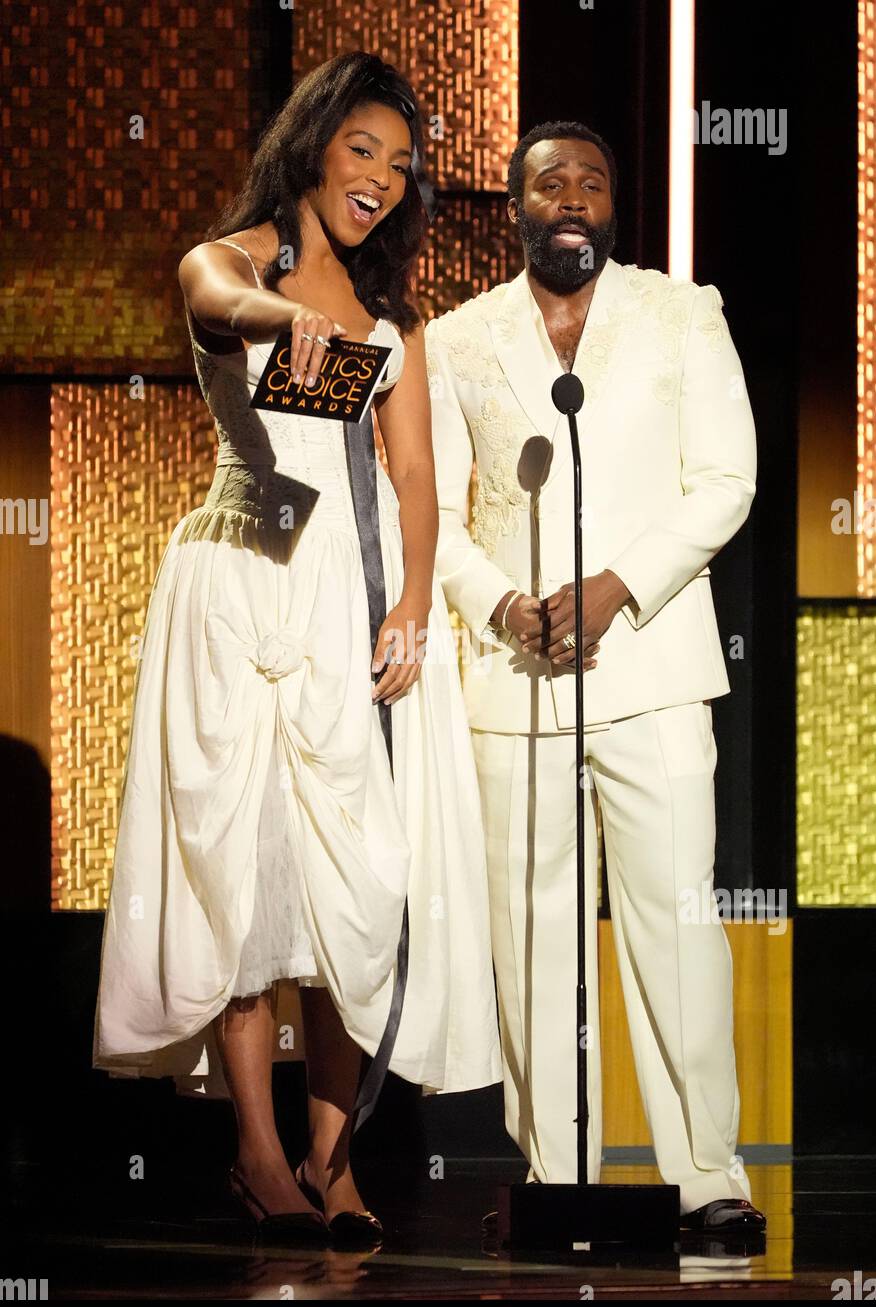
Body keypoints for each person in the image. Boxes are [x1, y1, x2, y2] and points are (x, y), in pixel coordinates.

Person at [92, 51, 501, 1245]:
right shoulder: (233, 262)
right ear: (316, 142)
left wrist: (416, 600)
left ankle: (336, 1159)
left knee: (353, 892)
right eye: (361, 149)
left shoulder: (393, 324)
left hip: (348, 600)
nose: (378, 178)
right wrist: (289, 317)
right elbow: (216, 302)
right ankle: (260, 1156)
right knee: (244, 873)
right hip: (239, 580)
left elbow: (414, 474)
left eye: (400, 165)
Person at [425, 120, 766, 1234]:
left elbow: (726, 479)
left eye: (591, 180)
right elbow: (432, 512)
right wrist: (497, 602)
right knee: (532, 935)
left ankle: (711, 1177)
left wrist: (620, 584)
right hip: (516, 687)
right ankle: (555, 1173)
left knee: (674, 918)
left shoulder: (681, 311)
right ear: (515, 205)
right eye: (547, 182)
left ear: (613, 205)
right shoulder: (459, 339)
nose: (570, 196)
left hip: (654, 670)